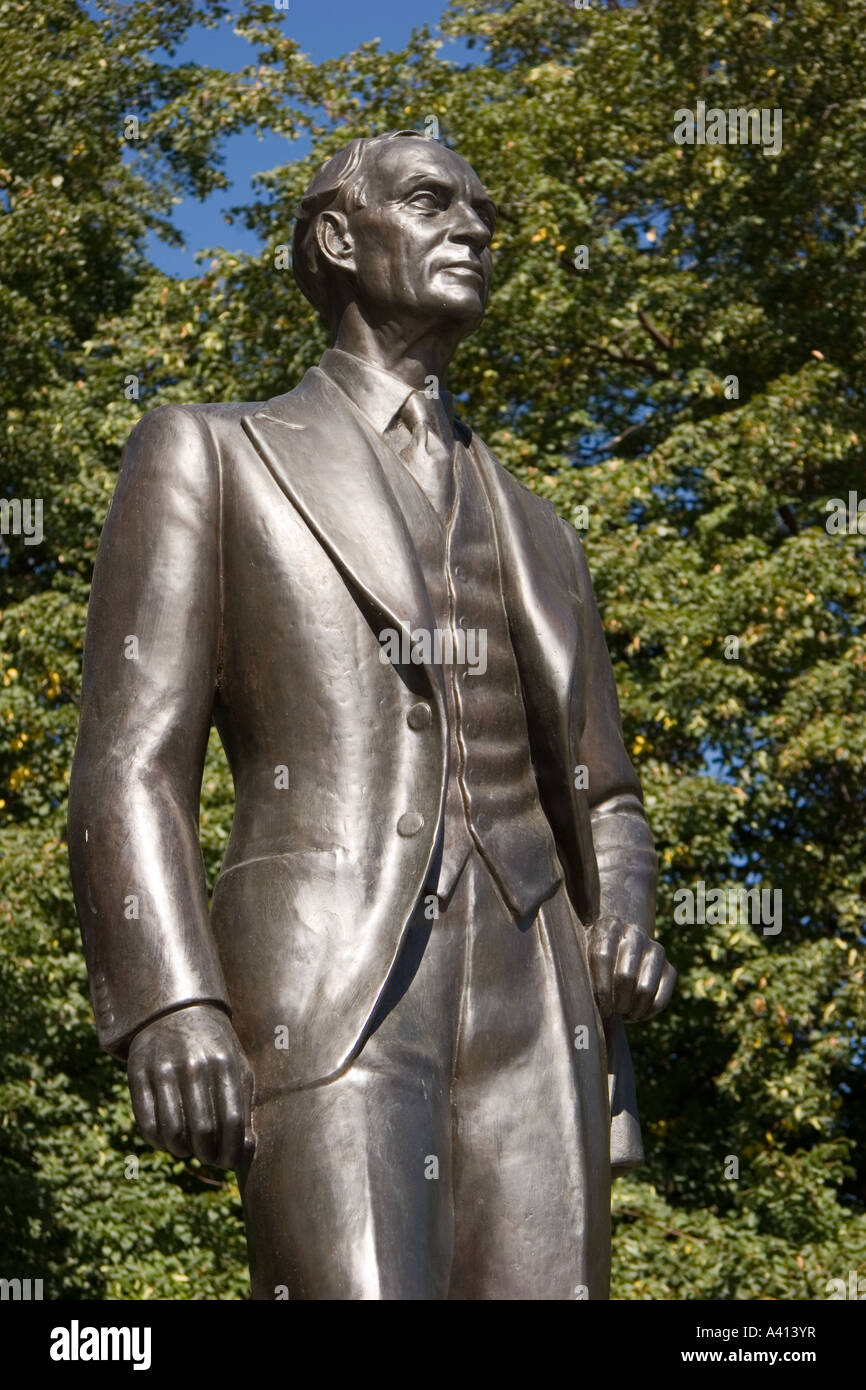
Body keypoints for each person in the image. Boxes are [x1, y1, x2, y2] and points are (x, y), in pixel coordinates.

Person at [69, 130, 675, 1300]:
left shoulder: (539, 527)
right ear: (338, 240)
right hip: (330, 977)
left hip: (536, 993)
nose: (474, 228)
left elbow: (604, 796)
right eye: (431, 200)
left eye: (482, 210)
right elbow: (132, 762)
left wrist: (627, 919)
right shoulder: (210, 450)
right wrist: (170, 999)